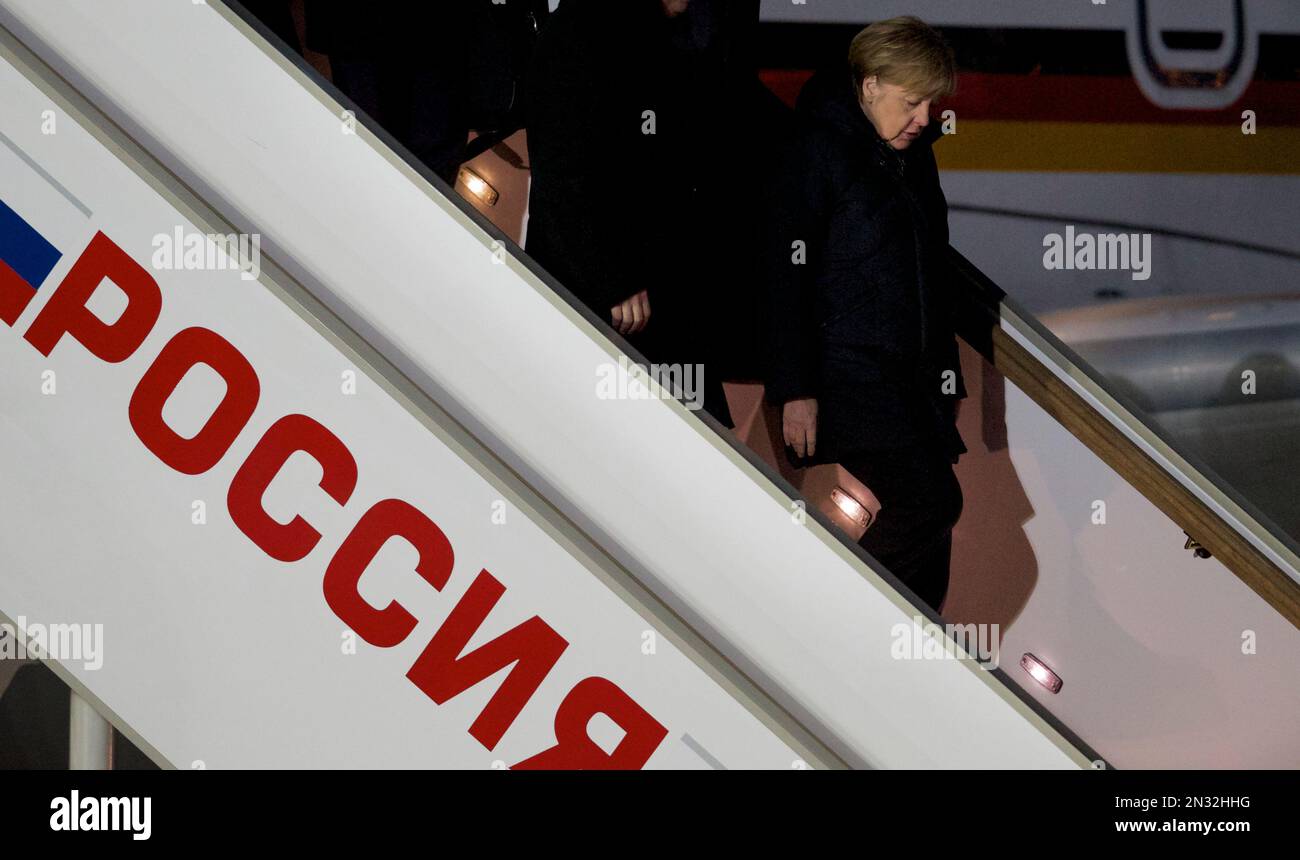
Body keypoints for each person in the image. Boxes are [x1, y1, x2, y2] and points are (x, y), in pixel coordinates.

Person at [764, 16, 967, 613]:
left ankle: (912, 648)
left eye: (931, 103)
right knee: (930, 503)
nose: (925, 118)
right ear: (870, 85)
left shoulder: (912, 158)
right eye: (912, 101)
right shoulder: (814, 151)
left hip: (907, 379)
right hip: (846, 373)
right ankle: (841, 621)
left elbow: (932, 270)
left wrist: (943, 372)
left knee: (932, 536)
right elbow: (784, 274)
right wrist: (795, 387)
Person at [526, 0, 748, 427]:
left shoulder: (692, 35)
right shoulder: (584, 29)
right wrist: (613, 279)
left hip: (668, 295)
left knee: (695, 443)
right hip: (605, 303)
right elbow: (563, 174)